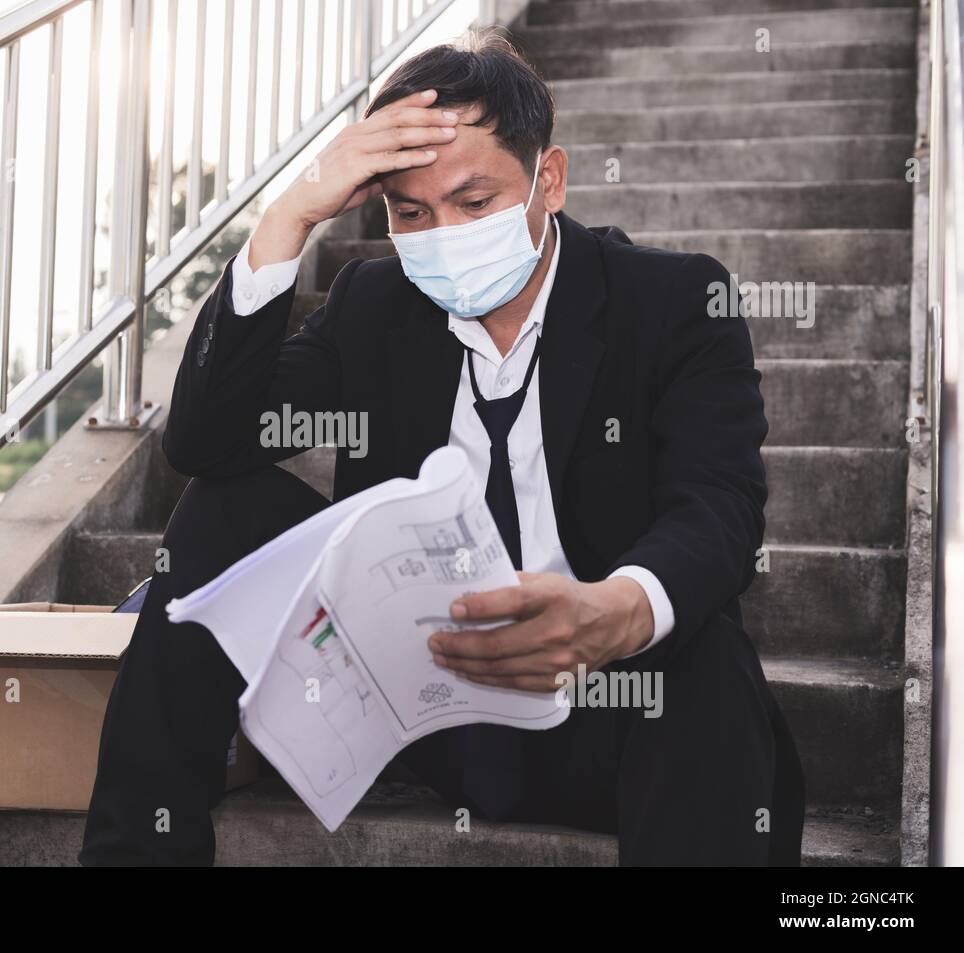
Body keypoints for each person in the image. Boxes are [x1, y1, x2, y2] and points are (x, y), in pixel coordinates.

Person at [79, 30, 804, 867]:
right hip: (416, 710)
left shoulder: (672, 303)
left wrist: (618, 610)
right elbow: (208, 442)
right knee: (222, 508)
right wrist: (289, 215)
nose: (443, 234)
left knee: (702, 651)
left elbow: (719, 506)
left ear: (550, 181)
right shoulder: (374, 304)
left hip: (607, 709)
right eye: (410, 212)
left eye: (474, 202)